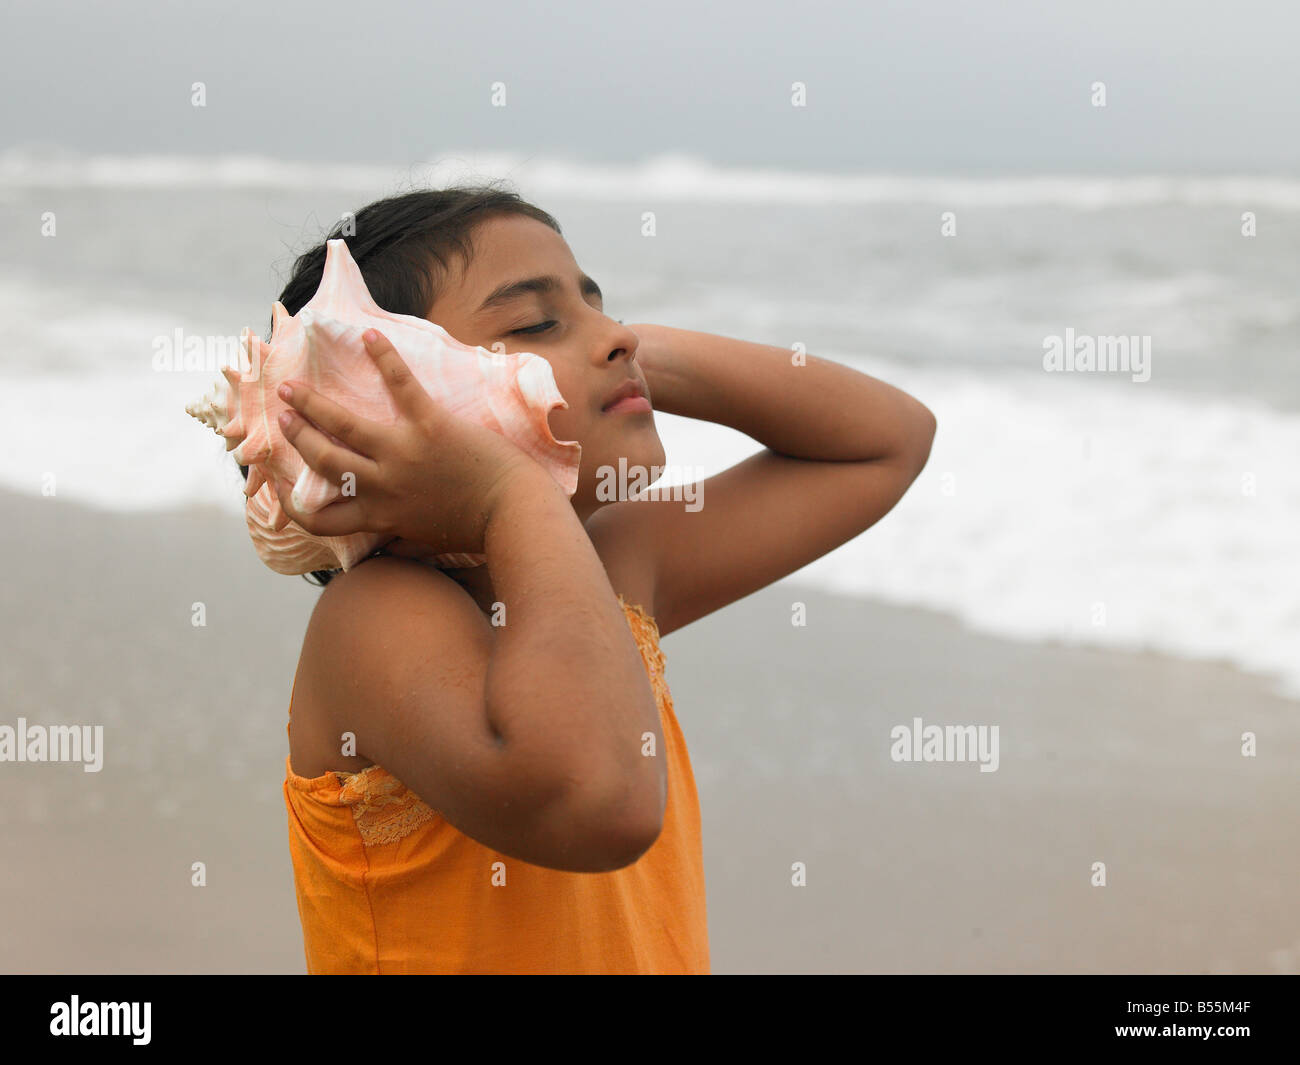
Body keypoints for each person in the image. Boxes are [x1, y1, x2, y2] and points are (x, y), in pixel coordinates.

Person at [264, 184, 936, 973]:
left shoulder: (612, 564)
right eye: (533, 321)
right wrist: (504, 490)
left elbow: (887, 441)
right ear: (380, 404)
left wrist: (622, 359)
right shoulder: (372, 619)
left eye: (599, 306)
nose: (614, 334)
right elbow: (599, 802)